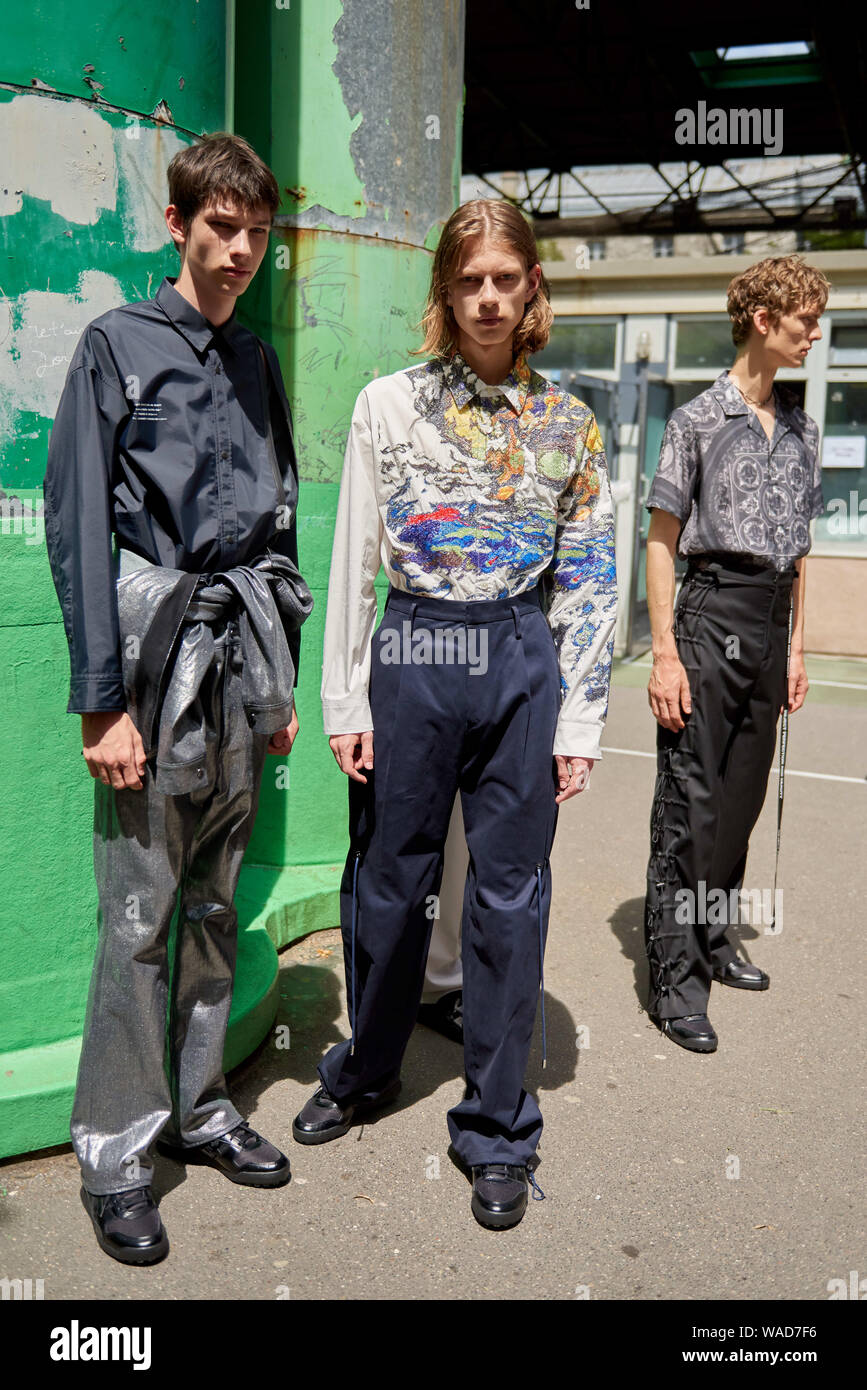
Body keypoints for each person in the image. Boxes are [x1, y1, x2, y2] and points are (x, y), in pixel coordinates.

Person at [292, 198, 617, 1229]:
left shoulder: (571, 422)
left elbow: (593, 578)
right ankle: (367, 1066)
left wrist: (580, 719)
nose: (487, 297)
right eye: (469, 279)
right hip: (418, 646)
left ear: (531, 289)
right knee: (392, 879)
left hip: (523, 653)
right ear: (445, 286)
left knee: (511, 895)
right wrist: (345, 693)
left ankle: (498, 1128)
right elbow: (351, 557)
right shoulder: (388, 404)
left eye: (505, 279)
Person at [43, 133, 313, 1264]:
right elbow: (77, 526)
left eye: (256, 232)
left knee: (212, 904)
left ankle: (202, 1112)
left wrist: (281, 678)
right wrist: (105, 704)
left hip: (242, 675)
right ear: (177, 223)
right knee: (138, 918)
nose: (240, 248)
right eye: (221, 227)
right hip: (155, 680)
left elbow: (282, 521)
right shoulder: (116, 346)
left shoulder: (256, 364)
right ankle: (115, 1152)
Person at [643, 255, 830, 1053]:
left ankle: (713, 942)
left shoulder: (802, 429)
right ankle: (672, 980)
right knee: (692, 805)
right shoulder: (693, 422)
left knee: (742, 803)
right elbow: (658, 543)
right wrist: (662, 655)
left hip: (768, 616)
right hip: (705, 611)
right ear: (763, 320)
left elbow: (797, 554)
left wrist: (793, 648)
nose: (814, 333)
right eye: (804, 320)